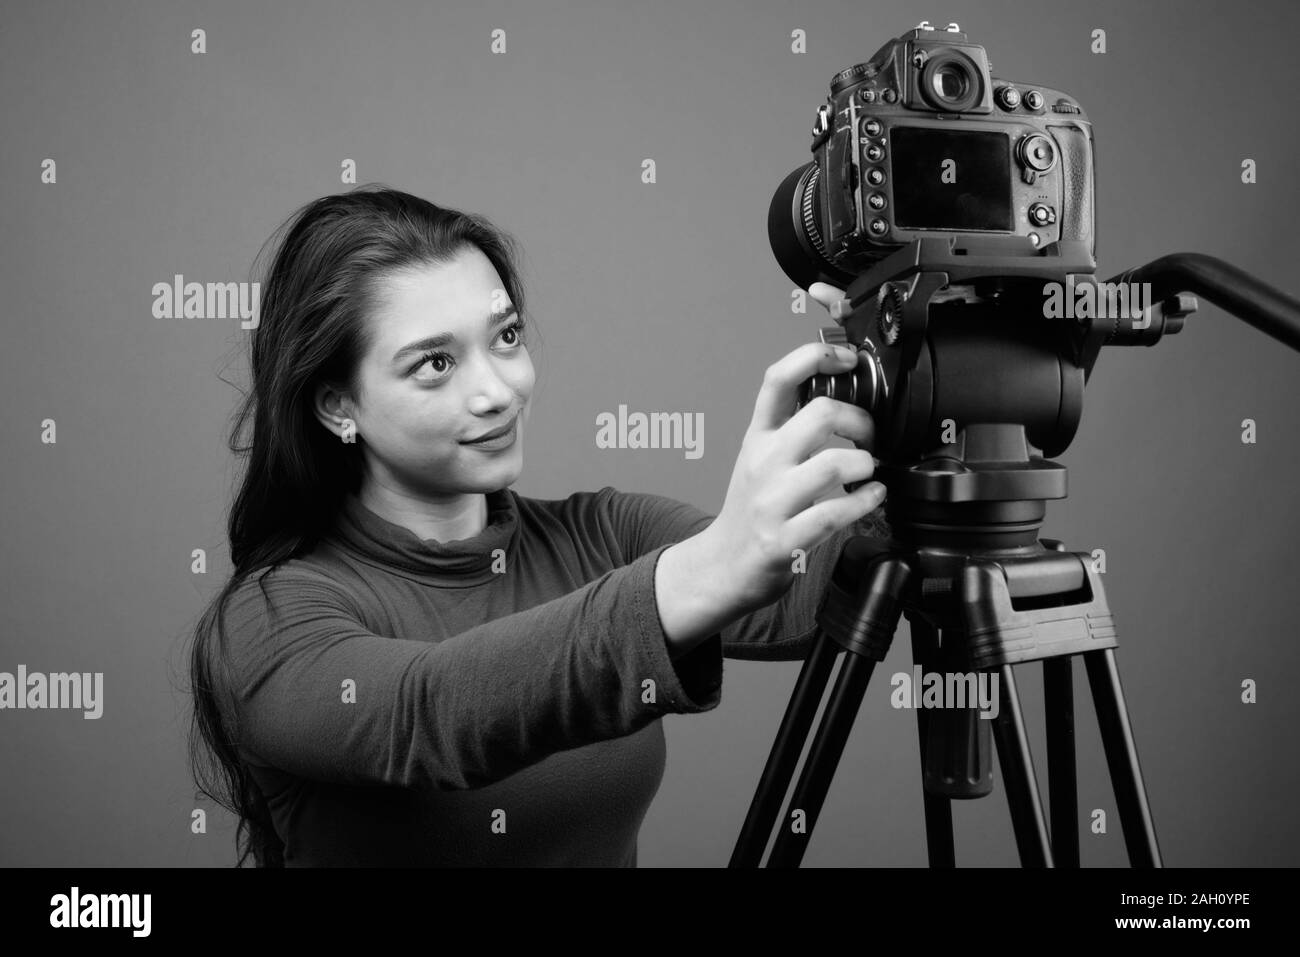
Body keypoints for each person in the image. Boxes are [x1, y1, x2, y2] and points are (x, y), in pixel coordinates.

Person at [187, 184, 890, 867]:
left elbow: (804, 601)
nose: (497, 390)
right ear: (339, 405)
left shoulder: (607, 534)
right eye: (436, 363)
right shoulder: (269, 621)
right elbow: (428, 716)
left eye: (507, 336)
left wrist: (907, 382)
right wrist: (705, 571)